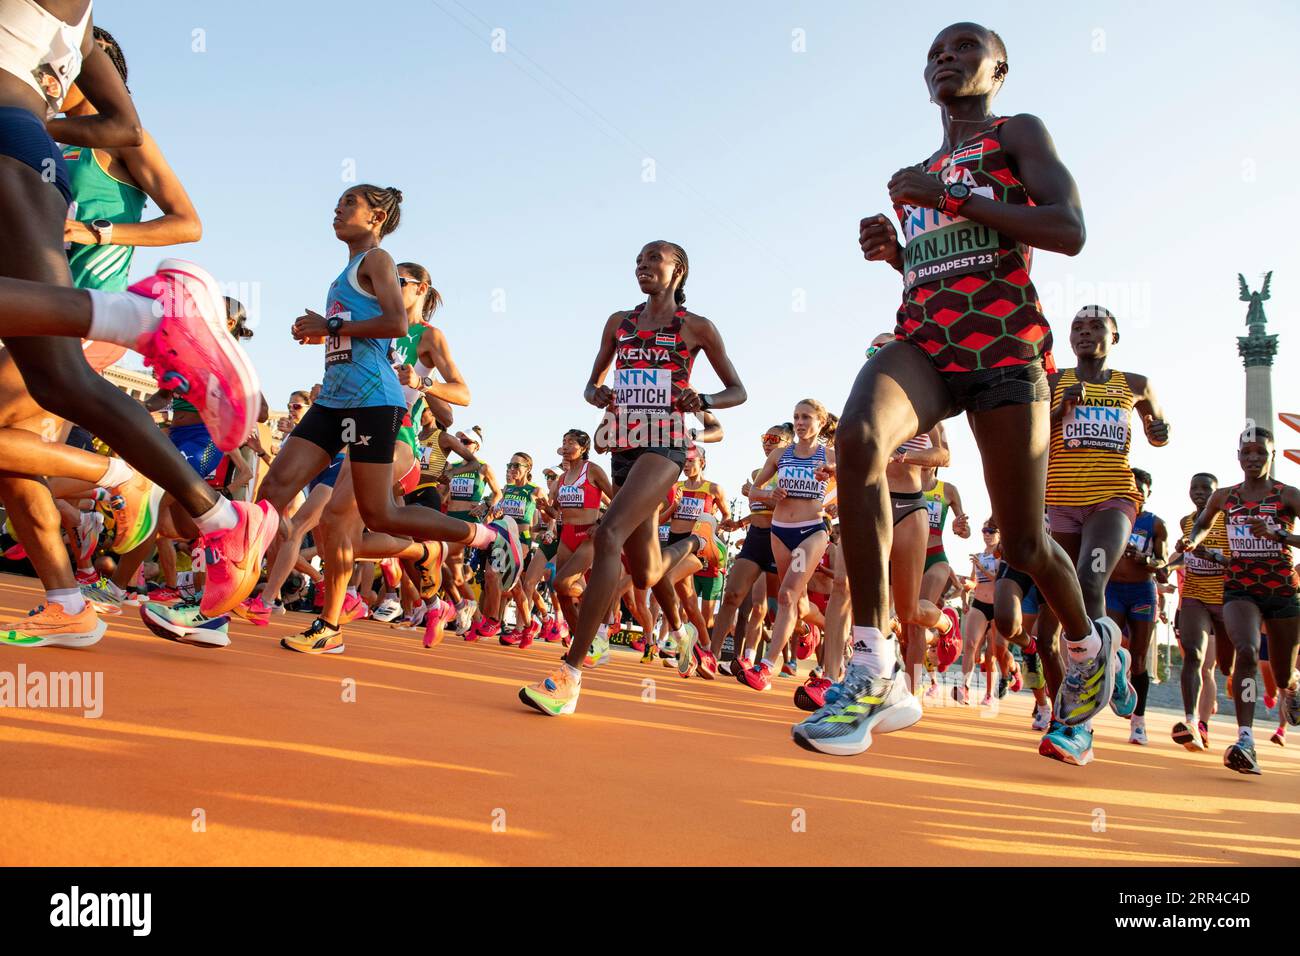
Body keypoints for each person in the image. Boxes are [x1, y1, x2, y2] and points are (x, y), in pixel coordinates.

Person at [795, 22, 1120, 761]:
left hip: (1005, 350)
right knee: (858, 438)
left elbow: (1067, 229)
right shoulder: (918, 170)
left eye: (964, 48)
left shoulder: (1016, 132)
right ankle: (878, 666)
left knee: (1027, 541)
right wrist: (896, 255)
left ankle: (1083, 645)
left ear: (999, 68)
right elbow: (942, 268)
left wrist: (949, 194)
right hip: (928, 342)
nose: (947, 57)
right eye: (936, 52)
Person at [253, 185, 519, 655]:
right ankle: (227, 602)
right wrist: (324, 335)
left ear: (376, 217)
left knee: (373, 515)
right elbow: (367, 333)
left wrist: (333, 328)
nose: (336, 209)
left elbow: (397, 327)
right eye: (337, 202)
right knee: (274, 493)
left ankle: (487, 536)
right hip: (334, 400)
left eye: (348, 203)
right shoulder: (346, 272)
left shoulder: (381, 262)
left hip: (376, 406)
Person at [518, 240, 745, 716]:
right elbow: (590, 383)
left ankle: (574, 670)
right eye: (638, 260)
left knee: (609, 533)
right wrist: (597, 394)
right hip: (623, 443)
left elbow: (737, 391)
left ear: (677, 270)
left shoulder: (696, 327)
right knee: (643, 568)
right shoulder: (618, 323)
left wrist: (701, 401)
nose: (642, 266)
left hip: (665, 445)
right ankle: (682, 620)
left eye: (653, 260)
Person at [1177, 428, 1300, 774]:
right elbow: (1201, 525)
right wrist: (1192, 541)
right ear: (1238, 456)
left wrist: (1280, 534)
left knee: (1281, 672)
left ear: (1271, 455)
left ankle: (1292, 685)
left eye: (1260, 452)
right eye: (1246, 452)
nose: (1253, 458)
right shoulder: (1224, 497)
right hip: (1239, 587)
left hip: (1281, 590)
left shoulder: (1287, 495)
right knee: (1246, 650)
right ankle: (1246, 739)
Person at [1104, 467, 1168, 744]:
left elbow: (1163, 565)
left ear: (1148, 493)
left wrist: (1146, 560)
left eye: (1141, 488)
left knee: (1140, 658)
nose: (1135, 491)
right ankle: (1119, 678)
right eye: (1130, 485)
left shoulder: (1155, 524)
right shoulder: (1108, 518)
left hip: (1142, 592)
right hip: (1113, 590)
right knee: (1108, 647)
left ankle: (1139, 722)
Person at [1171, 473, 1231, 751]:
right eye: (1194, 487)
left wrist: (1215, 557)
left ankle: (1205, 721)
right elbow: (1186, 556)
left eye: (1206, 488)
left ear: (1217, 493)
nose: (1199, 492)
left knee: (1219, 668)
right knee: (1195, 659)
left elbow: (1242, 559)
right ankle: (1193, 722)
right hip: (1194, 598)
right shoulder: (1186, 522)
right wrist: (1166, 567)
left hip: (1226, 601)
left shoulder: (1230, 519)